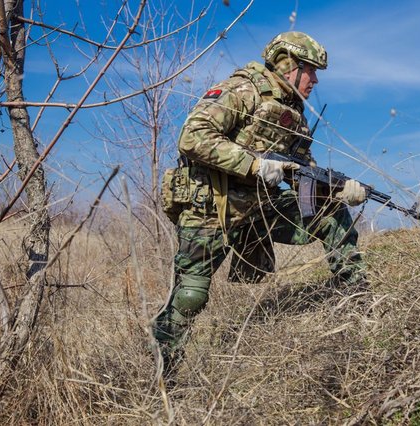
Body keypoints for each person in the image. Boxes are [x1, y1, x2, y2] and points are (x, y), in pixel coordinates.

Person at [154, 31, 368, 374]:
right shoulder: (243, 90)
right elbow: (192, 137)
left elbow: (302, 174)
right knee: (190, 298)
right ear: (287, 65)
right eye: (309, 70)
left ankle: (360, 298)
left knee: (331, 213)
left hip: (261, 209)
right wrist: (254, 165)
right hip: (212, 209)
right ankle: (165, 374)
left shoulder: (293, 112)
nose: (314, 80)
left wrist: (339, 190)